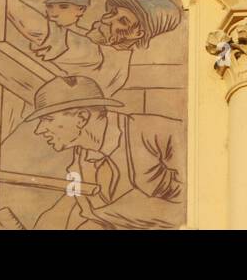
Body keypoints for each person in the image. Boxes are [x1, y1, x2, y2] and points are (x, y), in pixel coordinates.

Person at [27, 75, 184, 230]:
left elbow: (198, 203)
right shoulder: (78, 166)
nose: (39, 130)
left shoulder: (158, 133)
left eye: (47, 119)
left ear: (82, 117)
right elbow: (93, 218)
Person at [6, 0, 182, 95]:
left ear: (137, 34)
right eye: (112, 12)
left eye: (122, 21)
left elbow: (35, 27)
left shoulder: (96, 54)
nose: (107, 19)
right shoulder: (117, 60)